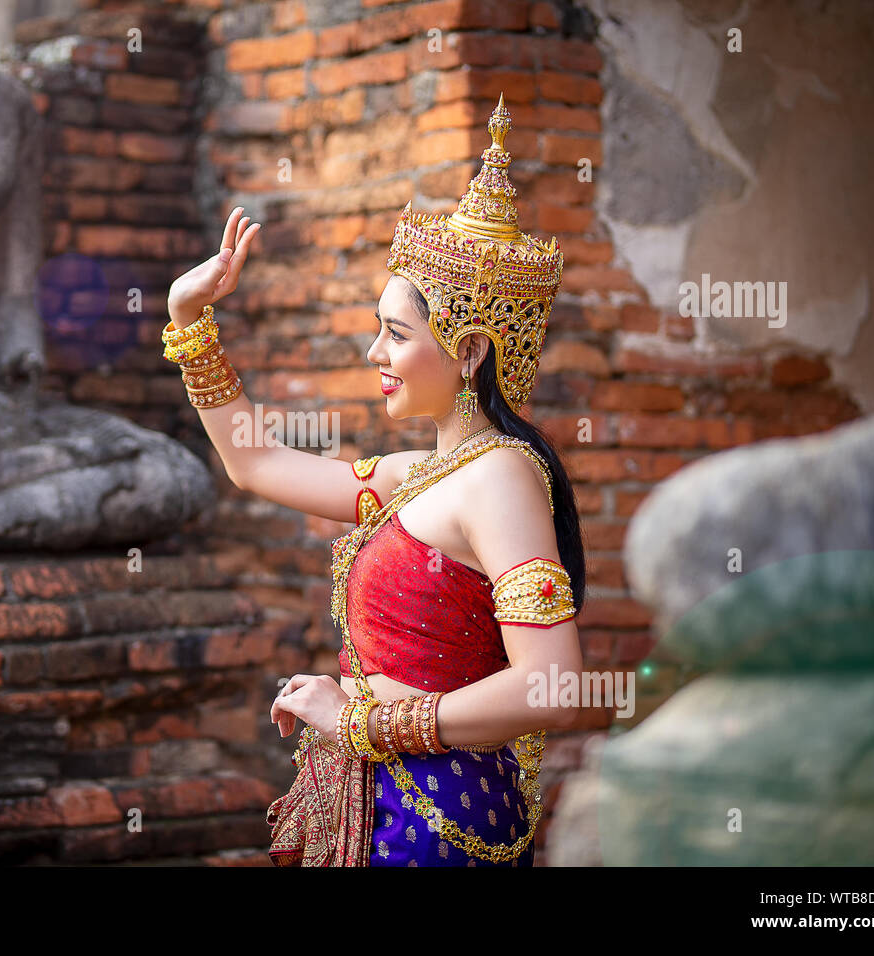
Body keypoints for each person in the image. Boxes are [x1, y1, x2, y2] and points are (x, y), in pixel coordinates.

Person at [163, 92, 585, 866]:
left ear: (468, 352)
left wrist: (363, 722)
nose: (373, 355)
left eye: (395, 334)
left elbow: (551, 686)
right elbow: (255, 461)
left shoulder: (499, 480)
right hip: (389, 805)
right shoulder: (419, 474)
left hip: (438, 822)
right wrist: (190, 321)